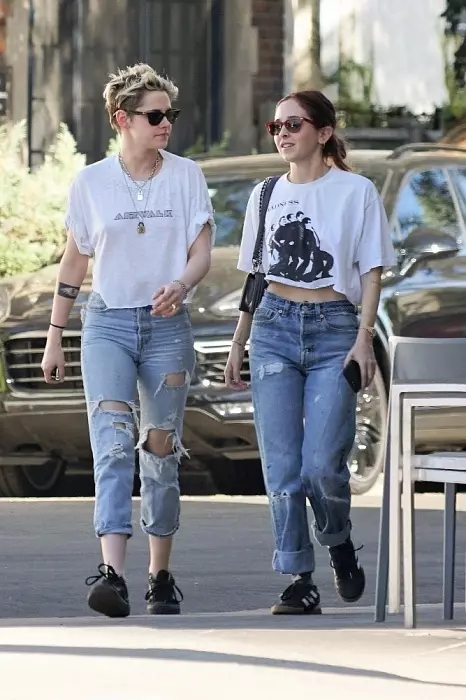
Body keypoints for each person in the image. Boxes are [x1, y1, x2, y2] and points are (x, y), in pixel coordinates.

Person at [41, 63, 215, 618]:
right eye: (155, 115)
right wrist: (54, 333)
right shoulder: (91, 182)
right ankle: (112, 572)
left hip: (167, 328)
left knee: (159, 450)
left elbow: (202, 251)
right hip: (108, 324)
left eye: (170, 114)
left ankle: (160, 575)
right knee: (113, 446)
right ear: (123, 119)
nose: (166, 124)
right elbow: (75, 257)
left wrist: (181, 284)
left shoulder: (186, 176)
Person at [225, 90, 396, 615]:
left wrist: (363, 338)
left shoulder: (355, 191)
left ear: (323, 132)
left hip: (334, 330)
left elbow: (372, 270)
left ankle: (338, 541)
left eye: (293, 124)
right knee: (281, 467)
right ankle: (299, 577)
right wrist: (239, 340)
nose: (282, 134)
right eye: (275, 126)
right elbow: (257, 274)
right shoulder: (265, 194)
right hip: (274, 326)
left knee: (322, 464)